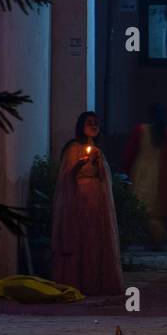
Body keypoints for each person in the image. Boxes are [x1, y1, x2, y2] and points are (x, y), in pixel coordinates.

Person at [51, 111, 124, 296]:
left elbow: (104, 177)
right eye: (89, 123)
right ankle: (76, 281)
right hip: (78, 199)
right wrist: (80, 164)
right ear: (82, 126)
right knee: (79, 238)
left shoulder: (98, 151)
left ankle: (95, 282)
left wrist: (99, 165)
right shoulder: (73, 149)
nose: (93, 126)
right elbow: (67, 176)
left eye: (96, 123)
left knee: (94, 239)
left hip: (96, 200)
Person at [122, 104, 167, 246]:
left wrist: (124, 173)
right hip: (164, 178)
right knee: (156, 214)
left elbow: (129, 155)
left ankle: (154, 240)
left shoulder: (141, 130)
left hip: (141, 175)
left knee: (144, 210)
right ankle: (157, 241)